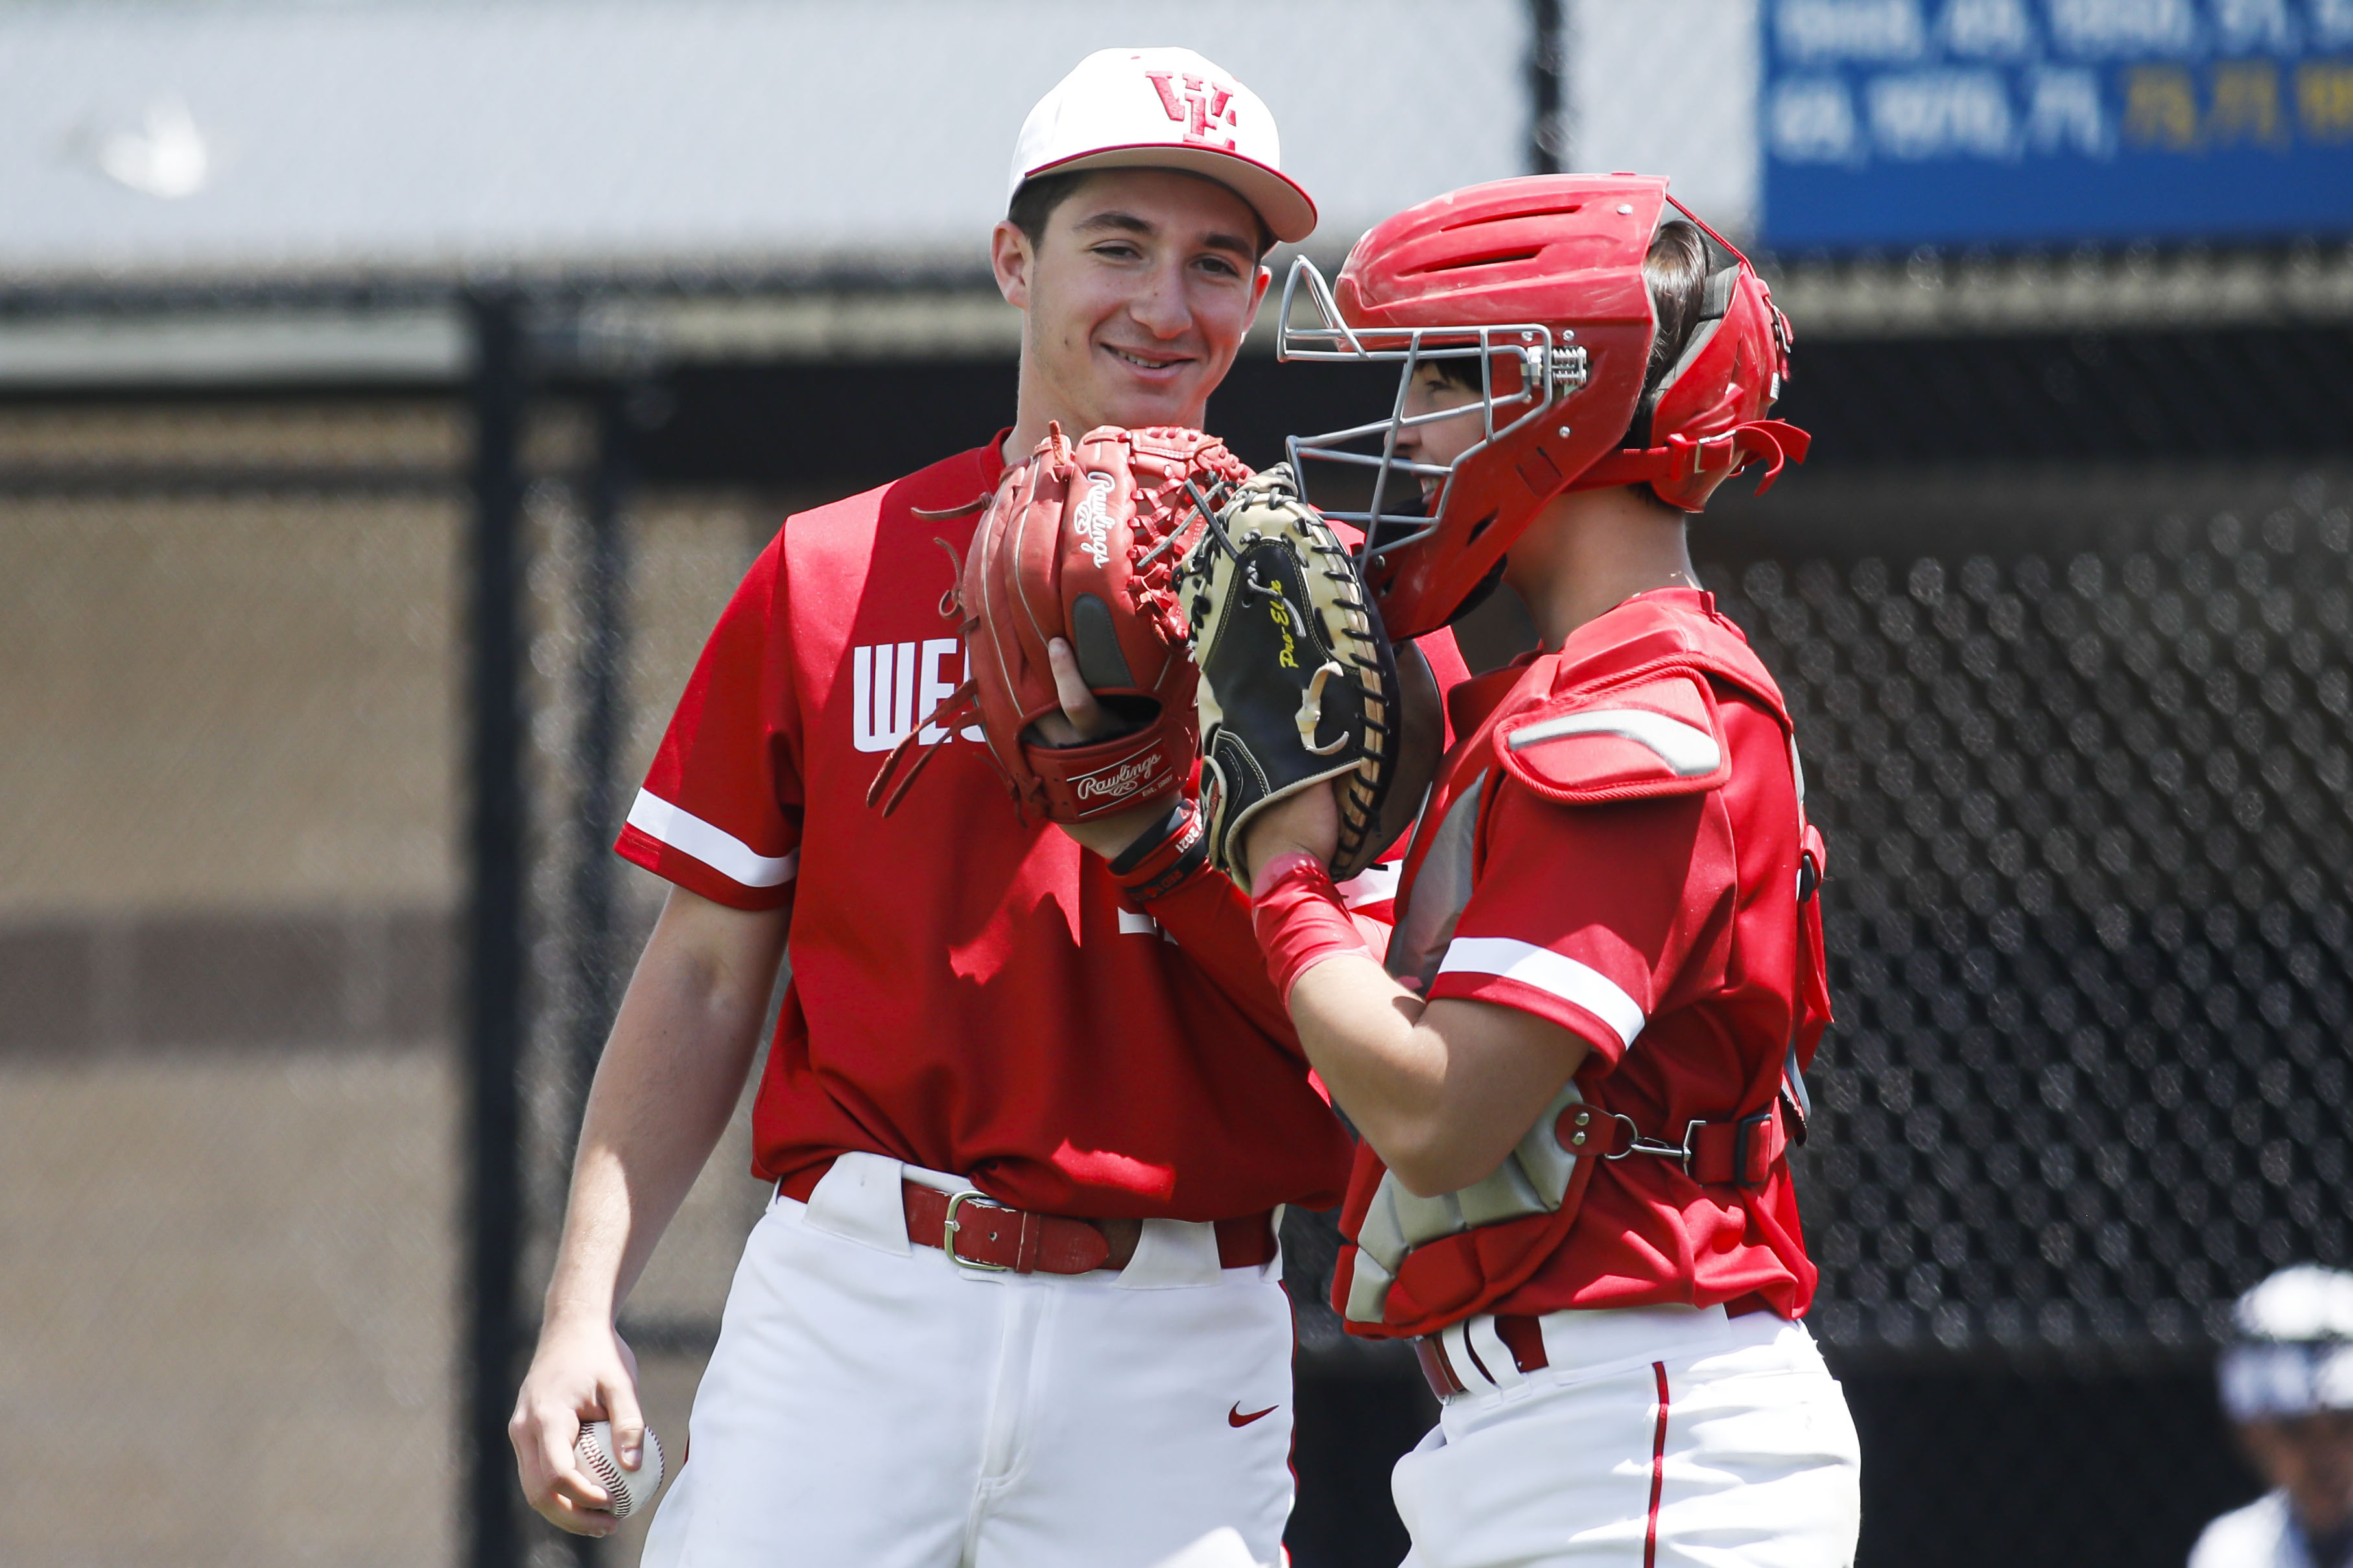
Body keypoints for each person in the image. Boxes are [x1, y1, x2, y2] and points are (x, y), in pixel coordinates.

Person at [508, 47, 1463, 1568]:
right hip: (857, 1299)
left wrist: (1159, 845)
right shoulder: (830, 571)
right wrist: (581, 1310)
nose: (1167, 303)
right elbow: (699, 971)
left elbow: (1364, 1034)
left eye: (1218, 261)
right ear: (1013, 261)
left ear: (1260, 293)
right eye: (1118, 245)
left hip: (1174, 1323)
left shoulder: (1338, 617)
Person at [1237, 174, 1862, 1565]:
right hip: (1561, 1427)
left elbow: (1442, 1115)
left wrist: (1274, 868)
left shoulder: (1640, 712)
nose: (1399, 435)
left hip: (1637, 1438)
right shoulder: (1550, 697)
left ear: (1558, 402)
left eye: (1436, 385)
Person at [2192, 1265, 2353, 1568]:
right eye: (2297, 1430)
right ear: (2251, 1434)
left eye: (2345, 1426)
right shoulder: (2230, 1552)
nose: (2325, 1454)